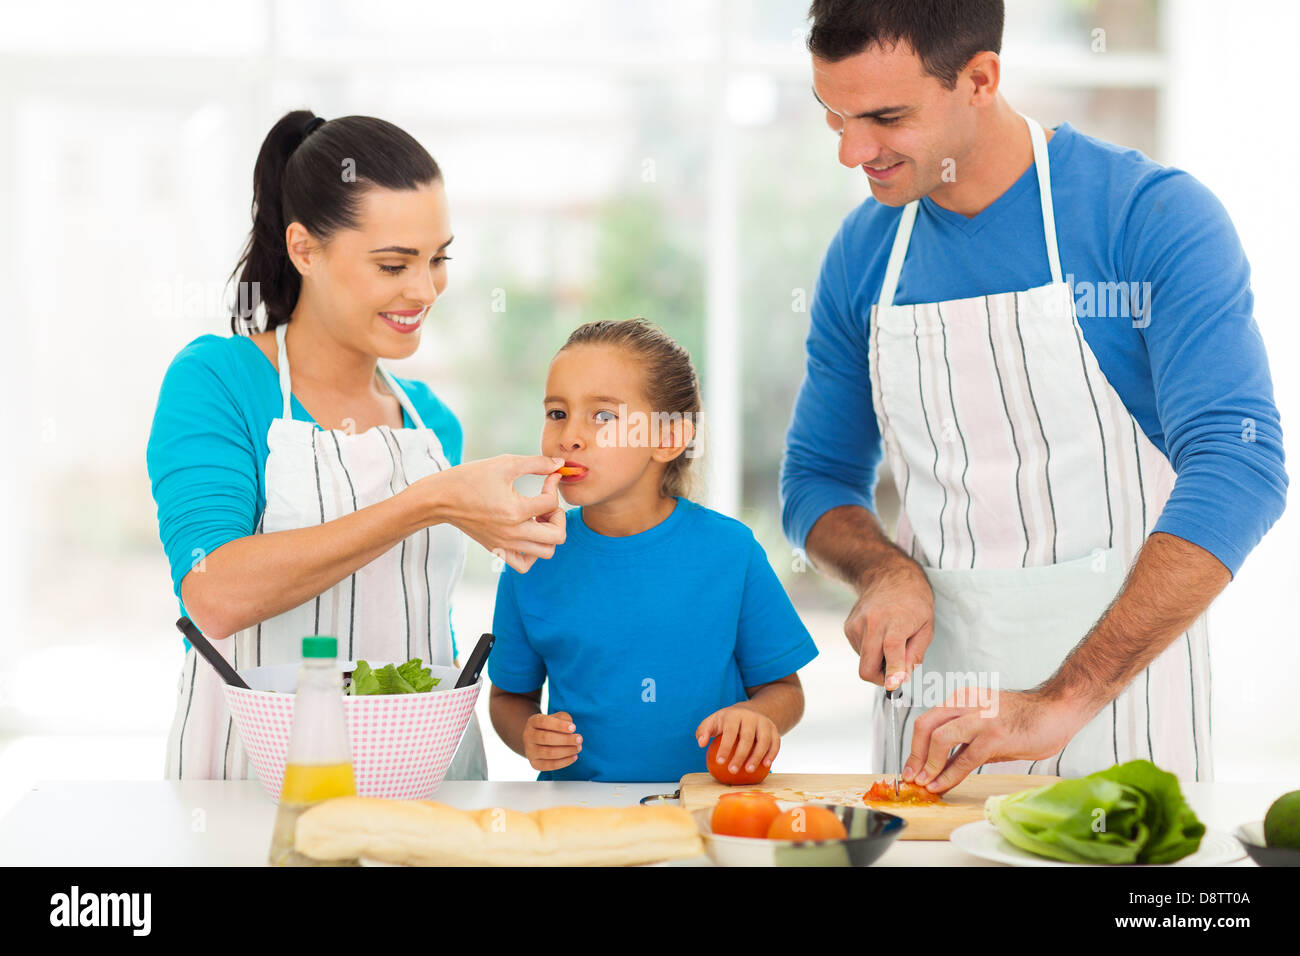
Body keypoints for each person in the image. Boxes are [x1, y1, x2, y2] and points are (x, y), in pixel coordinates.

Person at [780, 1, 1287, 792]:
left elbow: (1240, 467)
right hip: (928, 737)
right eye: (833, 118)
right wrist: (882, 570)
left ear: (980, 78)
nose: (853, 152)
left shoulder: (1147, 217)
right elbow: (815, 477)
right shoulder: (864, 256)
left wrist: (1062, 698)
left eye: (884, 118)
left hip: (1121, 724)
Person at [147, 109, 568, 781]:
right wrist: (426, 503)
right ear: (305, 250)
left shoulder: (430, 423)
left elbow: (421, 627)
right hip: (259, 781)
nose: (424, 290)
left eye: (438, 259)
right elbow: (213, 592)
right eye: (394, 264)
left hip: (425, 772)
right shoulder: (217, 382)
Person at [488, 318, 819, 781]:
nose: (569, 436)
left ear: (668, 438)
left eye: (603, 416)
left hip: (707, 810)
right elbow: (508, 699)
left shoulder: (731, 552)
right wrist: (528, 734)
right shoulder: (531, 556)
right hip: (577, 818)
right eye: (557, 413)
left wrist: (759, 717)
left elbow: (786, 690)